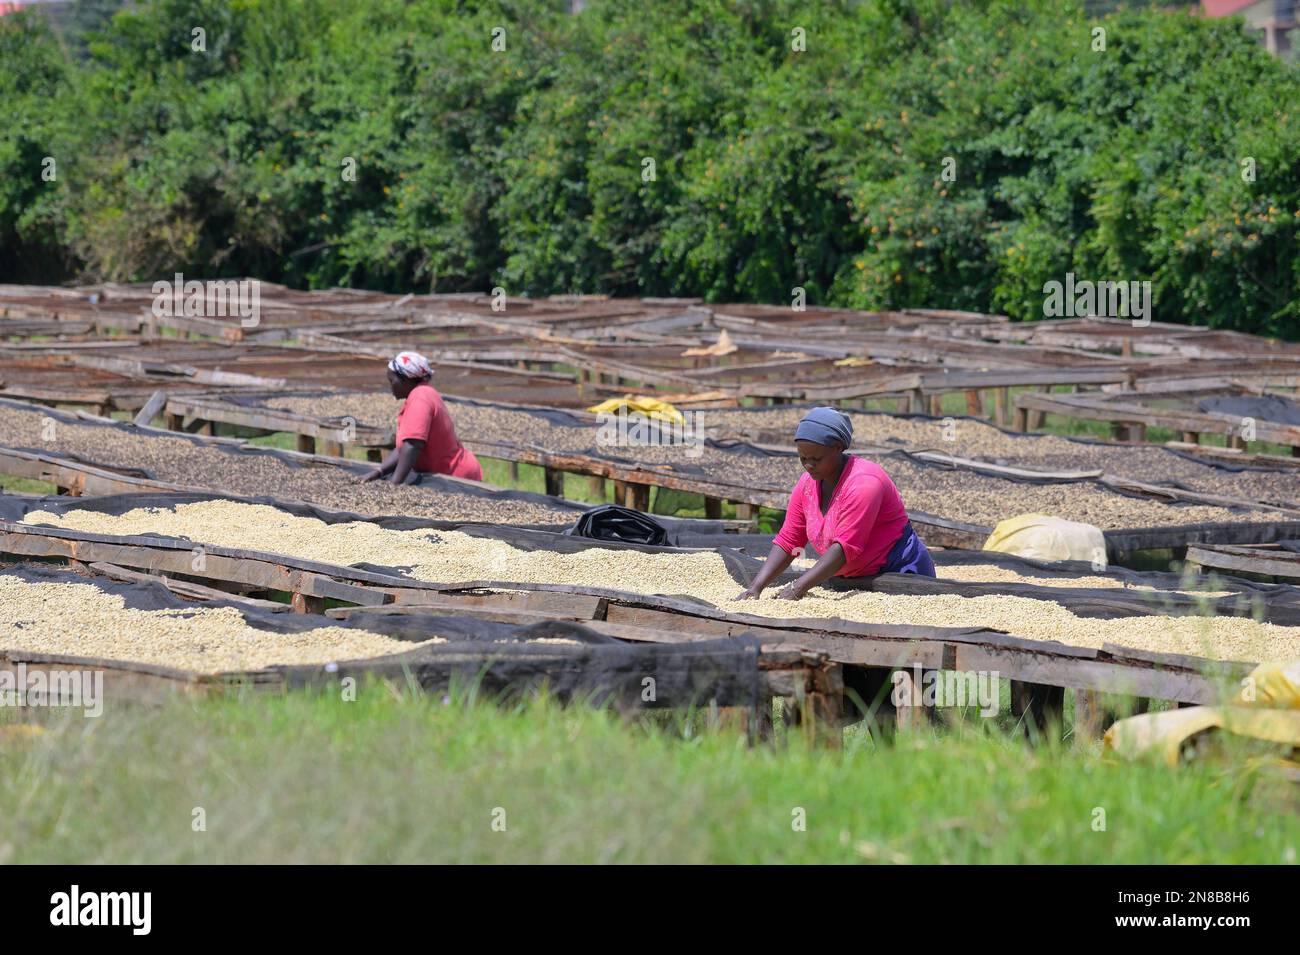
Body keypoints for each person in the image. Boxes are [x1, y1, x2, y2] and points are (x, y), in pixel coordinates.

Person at [736, 406, 935, 601]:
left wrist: (797, 588)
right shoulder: (807, 484)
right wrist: (756, 587)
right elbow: (789, 540)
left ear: (838, 447)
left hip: (899, 573)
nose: (808, 465)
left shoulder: (864, 483)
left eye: (816, 458)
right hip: (849, 580)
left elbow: (844, 548)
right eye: (803, 458)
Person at [359, 351, 483, 485]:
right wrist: (380, 471)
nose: (390, 387)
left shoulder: (420, 398)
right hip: (446, 474)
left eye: (391, 381)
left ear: (404, 379)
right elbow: (404, 446)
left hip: (456, 477)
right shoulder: (420, 393)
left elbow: (412, 445)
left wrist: (394, 485)